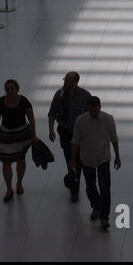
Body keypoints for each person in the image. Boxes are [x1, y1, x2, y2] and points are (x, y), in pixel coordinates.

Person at [70, 96, 121, 231]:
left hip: (103, 158)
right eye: (91, 110)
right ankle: (97, 207)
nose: (93, 113)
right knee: (90, 187)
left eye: (96, 110)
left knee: (105, 188)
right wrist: (73, 159)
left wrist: (117, 156)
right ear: (88, 108)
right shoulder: (80, 121)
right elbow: (75, 141)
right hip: (86, 158)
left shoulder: (108, 119)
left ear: (100, 107)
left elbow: (114, 139)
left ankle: (104, 217)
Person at [47, 72, 92, 203]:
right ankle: (74, 190)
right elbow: (52, 113)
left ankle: (71, 179)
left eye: (68, 81)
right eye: (65, 80)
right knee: (70, 159)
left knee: (78, 161)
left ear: (76, 82)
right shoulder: (59, 94)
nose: (65, 83)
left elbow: (91, 115)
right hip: (65, 132)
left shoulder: (85, 95)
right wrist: (51, 130)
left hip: (80, 133)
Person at [0, 79, 35, 203]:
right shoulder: (0, 102)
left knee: (21, 160)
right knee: (6, 162)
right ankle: (9, 188)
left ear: (17, 89)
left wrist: (34, 134)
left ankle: (19, 183)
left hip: (22, 135)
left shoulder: (24, 101)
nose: (9, 91)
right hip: (5, 135)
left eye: (12, 88)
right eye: (7, 89)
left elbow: (31, 118)